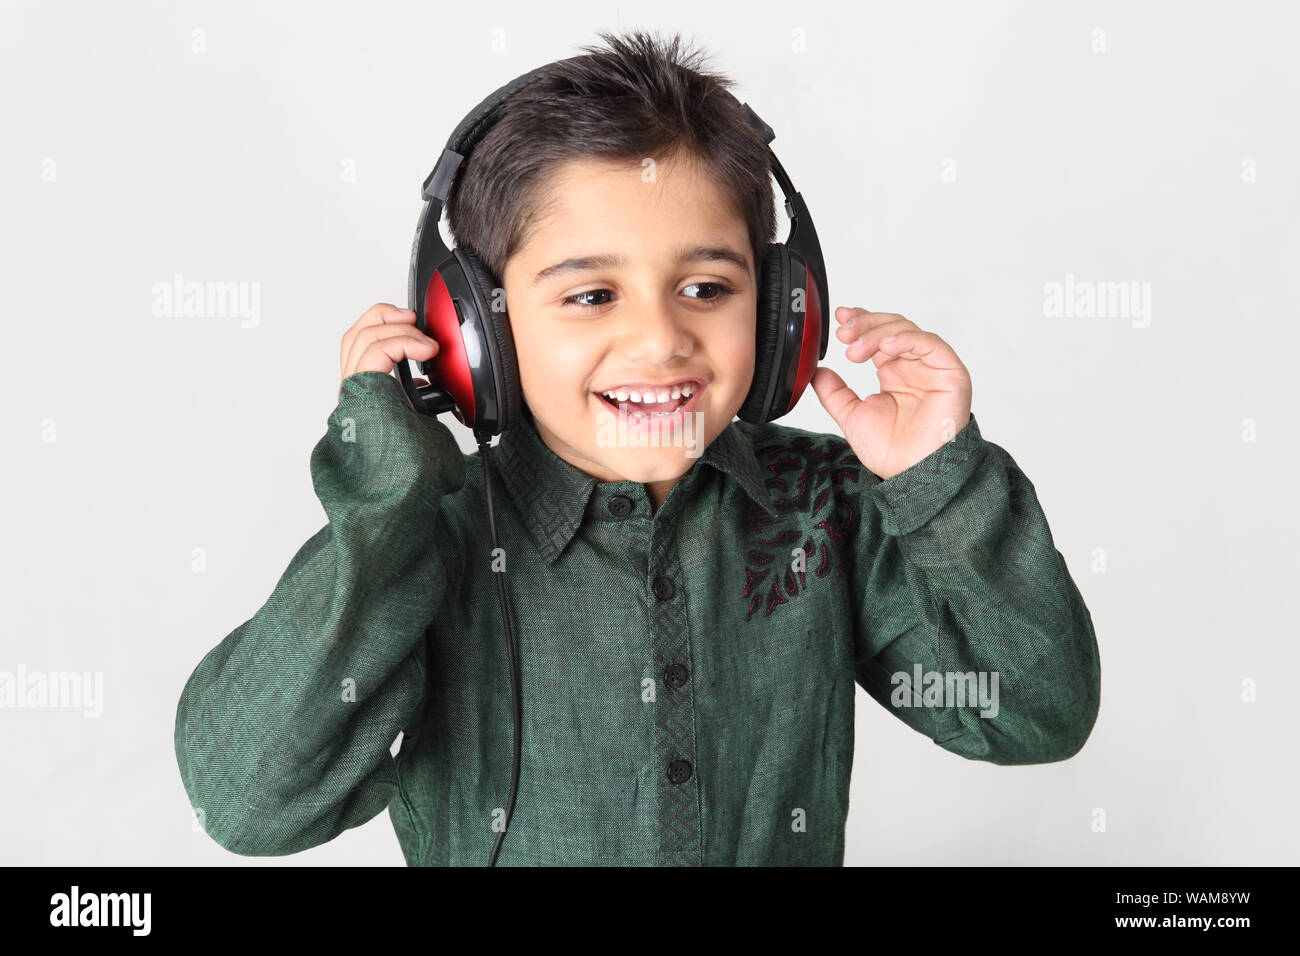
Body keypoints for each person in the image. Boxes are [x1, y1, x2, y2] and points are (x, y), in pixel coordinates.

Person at [174, 29, 1100, 866]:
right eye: (590, 295)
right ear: (474, 334)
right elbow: (250, 805)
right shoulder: (434, 532)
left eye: (706, 287)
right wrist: (382, 503)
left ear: (783, 312)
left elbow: (1034, 713)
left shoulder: (829, 510)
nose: (661, 340)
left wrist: (941, 480)